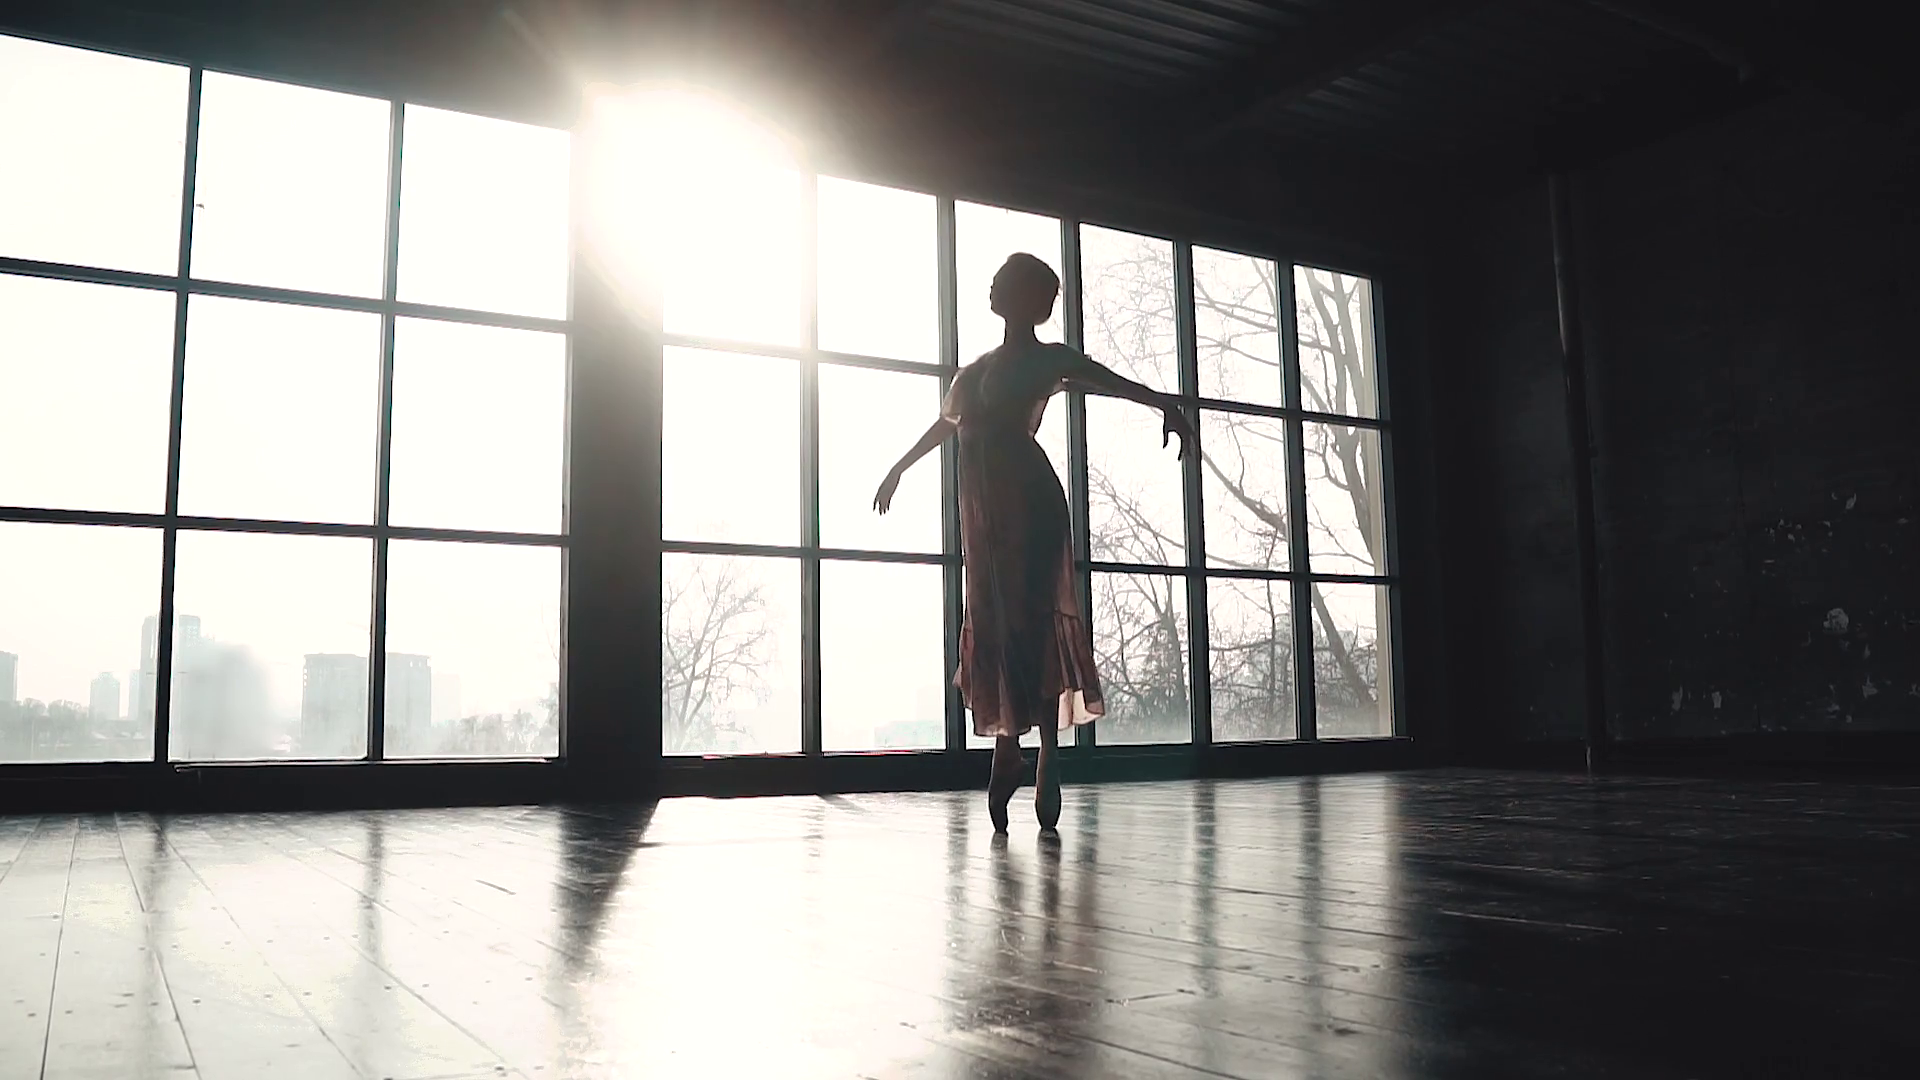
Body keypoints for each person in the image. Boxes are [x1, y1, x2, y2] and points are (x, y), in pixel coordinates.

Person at [874, 253, 1193, 831]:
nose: (992, 287)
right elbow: (946, 425)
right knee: (996, 625)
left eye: (1004, 283)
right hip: (985, 521)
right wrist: (899, 465)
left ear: (1026, 300)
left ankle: (1044, 751)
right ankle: (1009, 744)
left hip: (1030, 507)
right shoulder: (970, 374)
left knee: (1033, 623)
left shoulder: (1050, 360)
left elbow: (1109, 381)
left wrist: (1165, 404)